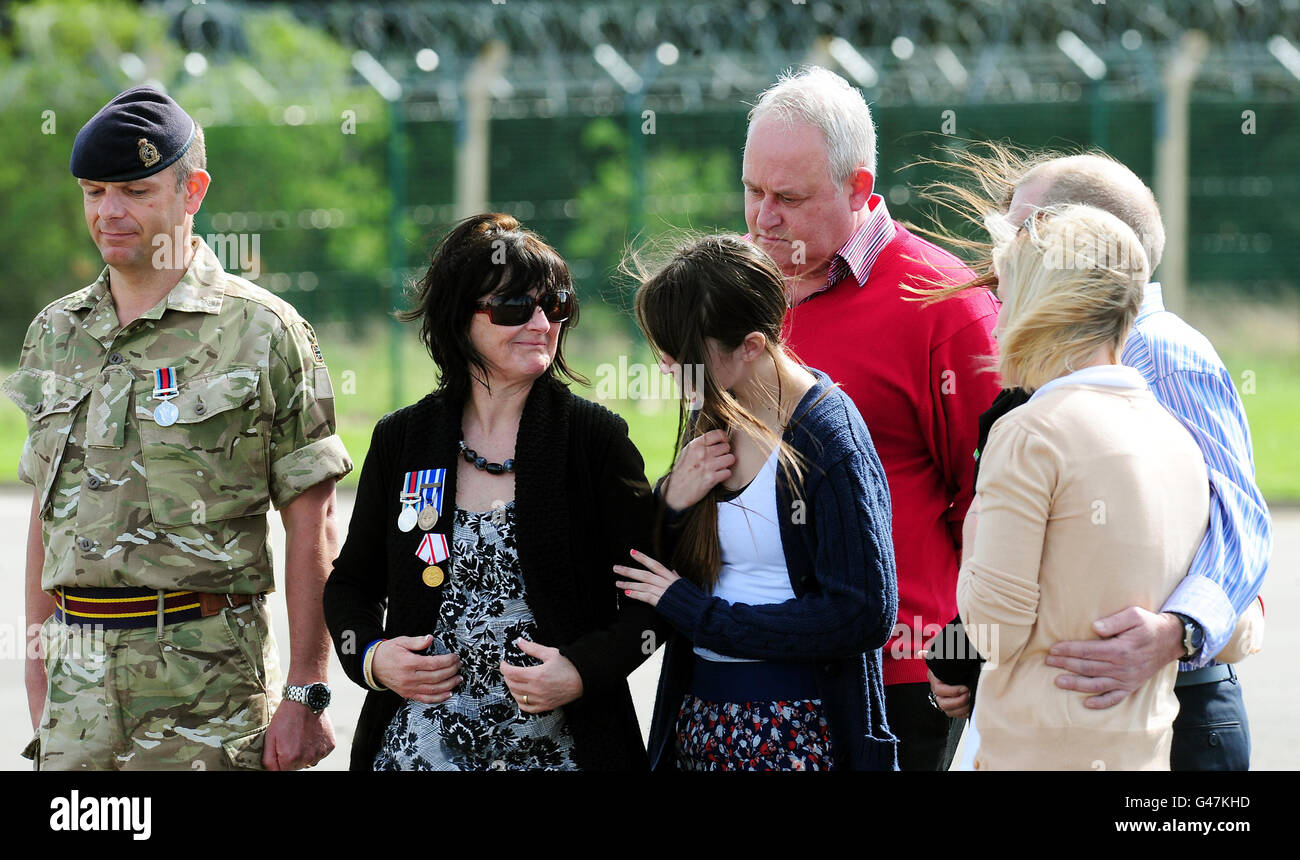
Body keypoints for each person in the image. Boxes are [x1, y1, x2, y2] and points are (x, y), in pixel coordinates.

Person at [3, 86, 352, 770]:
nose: (108, 211)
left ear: (192, 191)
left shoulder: (263, 332)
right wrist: (38, 669)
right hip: (78, 704)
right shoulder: (55, 333)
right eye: (94, 190)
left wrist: (307, 692)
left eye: (133, 190)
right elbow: (47, 513)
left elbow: (314, 518)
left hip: (209, 695)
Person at [923, 148, 1271, 770]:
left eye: (1025, 232)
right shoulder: (1075, 377)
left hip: (1170, 707)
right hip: (1119, 713)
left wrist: (1178, 631)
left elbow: (1240, 527)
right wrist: (958, 657)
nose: (1003, 255)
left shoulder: (1161, 354)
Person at [323, 213, 665, 771]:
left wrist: (582, 670)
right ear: (460, 320)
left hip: (562, 754)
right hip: (416, 753)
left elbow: (654, 599)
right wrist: (373, 658)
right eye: (513, 308)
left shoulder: (594, 439)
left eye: (555, 305)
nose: (540, 322)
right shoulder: (401, 439)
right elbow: (351, 586)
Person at [740, 66, 1001, 769]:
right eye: (751, 190)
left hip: (899, 679)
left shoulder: (945, 305)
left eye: (788, 198)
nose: (763, 217)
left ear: (859, 188)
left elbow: (991, 502)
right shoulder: (742, 293)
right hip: (756, 662)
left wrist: (957, 650)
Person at [615, 234, 898, 771]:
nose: (671, 370)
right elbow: (640, 568)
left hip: (797, 731)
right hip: (699, 724)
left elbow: (863, 614)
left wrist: (700, 615)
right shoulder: (715, 410)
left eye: (685, 358)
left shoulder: (829, 440)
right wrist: (670, 502)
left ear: (751, 346)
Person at [956, 203, 1210, 769]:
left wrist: (974, 525)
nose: (997, 320)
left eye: (1008, 295)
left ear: (1041, 309)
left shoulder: (1027, 433)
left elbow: (993, 631)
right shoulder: (1177, 436)